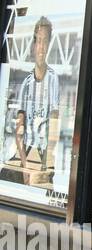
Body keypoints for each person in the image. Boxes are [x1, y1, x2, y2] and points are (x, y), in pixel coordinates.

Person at [15, 16, 61, 169]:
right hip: (27, 155)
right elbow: (19, 131)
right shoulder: (26, 84)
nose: (41, 47)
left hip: (44, 156)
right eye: (38, 41)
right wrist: (25, 166)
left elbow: (54, 124)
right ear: (34, 45)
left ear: (49, 44)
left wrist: (46, 163)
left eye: (45, 41)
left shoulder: (53, 79)